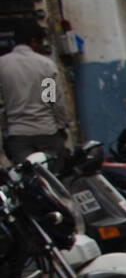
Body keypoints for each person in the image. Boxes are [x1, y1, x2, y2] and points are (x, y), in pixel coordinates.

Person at [0, 20, 73, 168]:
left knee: (29, 183)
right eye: (40, 42)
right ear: (33, 41)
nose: (41, 47)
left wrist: (6, 132)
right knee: (55, 180)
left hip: (18, 136)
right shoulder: (45, 65)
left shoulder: (2, 65)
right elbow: (53, 100)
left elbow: (1, 106)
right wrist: (63, 126)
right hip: (47, 133)